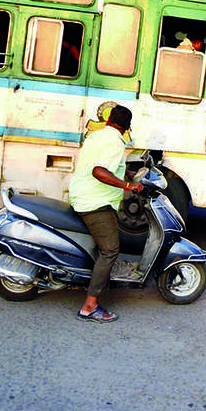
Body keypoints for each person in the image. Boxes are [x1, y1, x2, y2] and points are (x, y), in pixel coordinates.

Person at [68, 104, 143, 323]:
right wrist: (127, 186)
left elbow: (101, 164)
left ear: (109, 120)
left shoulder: (97, 136)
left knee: (103, 245)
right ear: (127, 126)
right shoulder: (116, 142)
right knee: (110, 250)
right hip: (95, 202)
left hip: (82, 194)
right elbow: (98, 171)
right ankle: (90, 306)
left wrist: (126, 173)